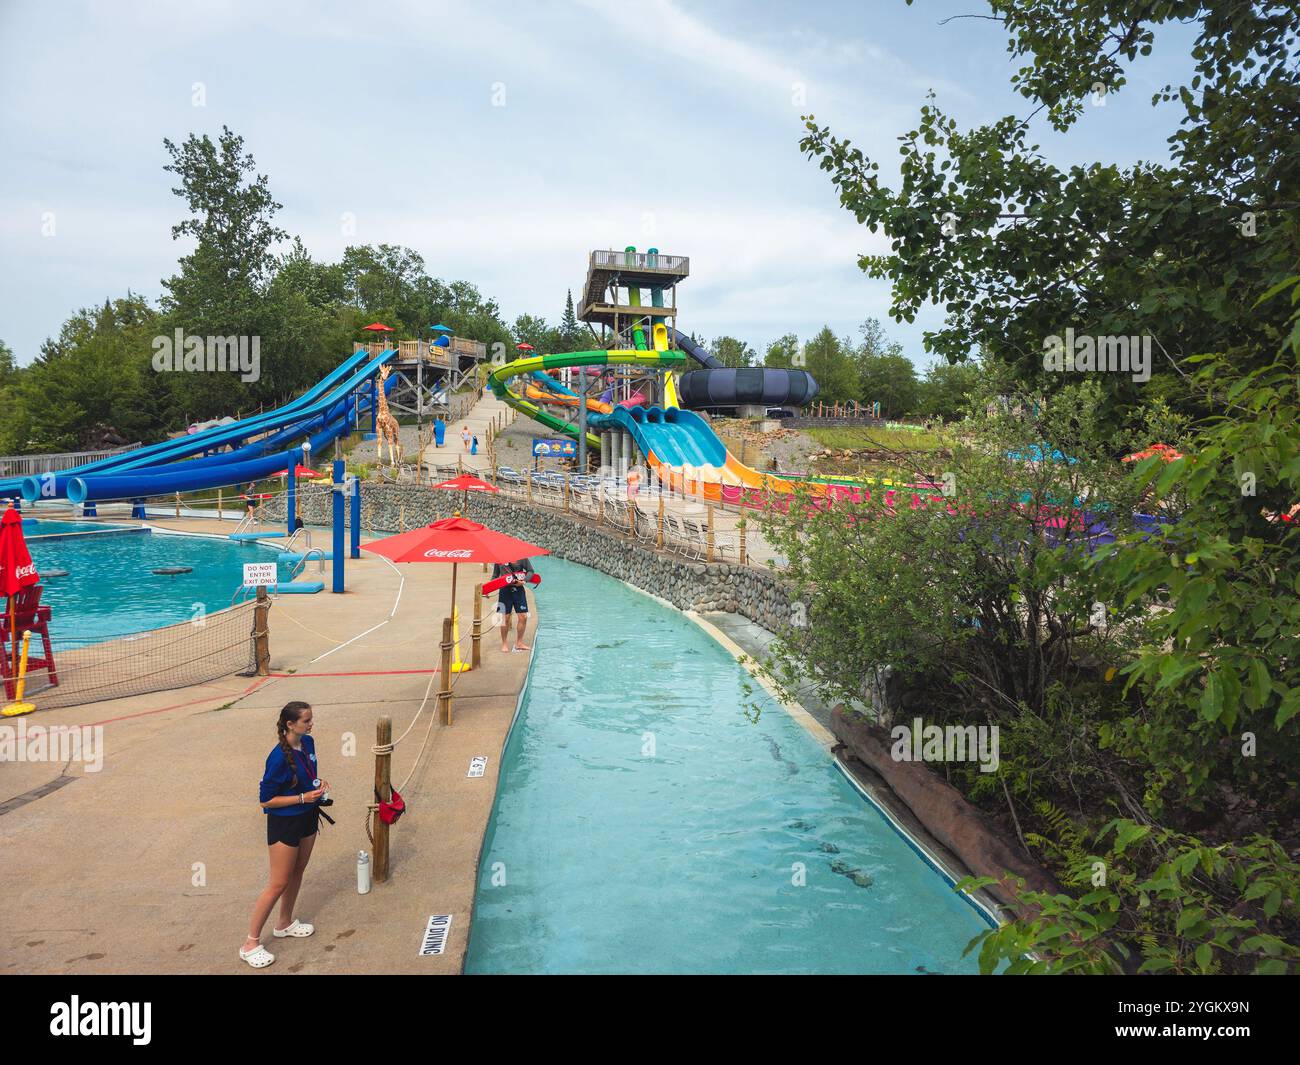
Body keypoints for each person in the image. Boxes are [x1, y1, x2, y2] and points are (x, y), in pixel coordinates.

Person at [240, 700, 329, 968]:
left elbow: (306, 776)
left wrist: (317, 786)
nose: (311, 724)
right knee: (278, 882)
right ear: (290, 724)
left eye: (311, 719)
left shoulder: (309, 743)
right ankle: (250, 943)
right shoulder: (277, 757)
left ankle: (284, 922)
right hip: (285, 824)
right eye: (306, 721)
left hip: (308, 816)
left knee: (298, 871)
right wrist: (303, 797)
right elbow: (266, 801)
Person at [491, 557, 535, 653]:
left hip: (519, 590)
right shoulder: (499, 558)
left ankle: (519, 643)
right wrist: (489, 589)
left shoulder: (522, 557)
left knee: (523, 616)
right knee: (505, 618)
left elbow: (531, 571)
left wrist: (524, 581)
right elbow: (495, 575)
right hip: (504, 591)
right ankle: (504, 643)